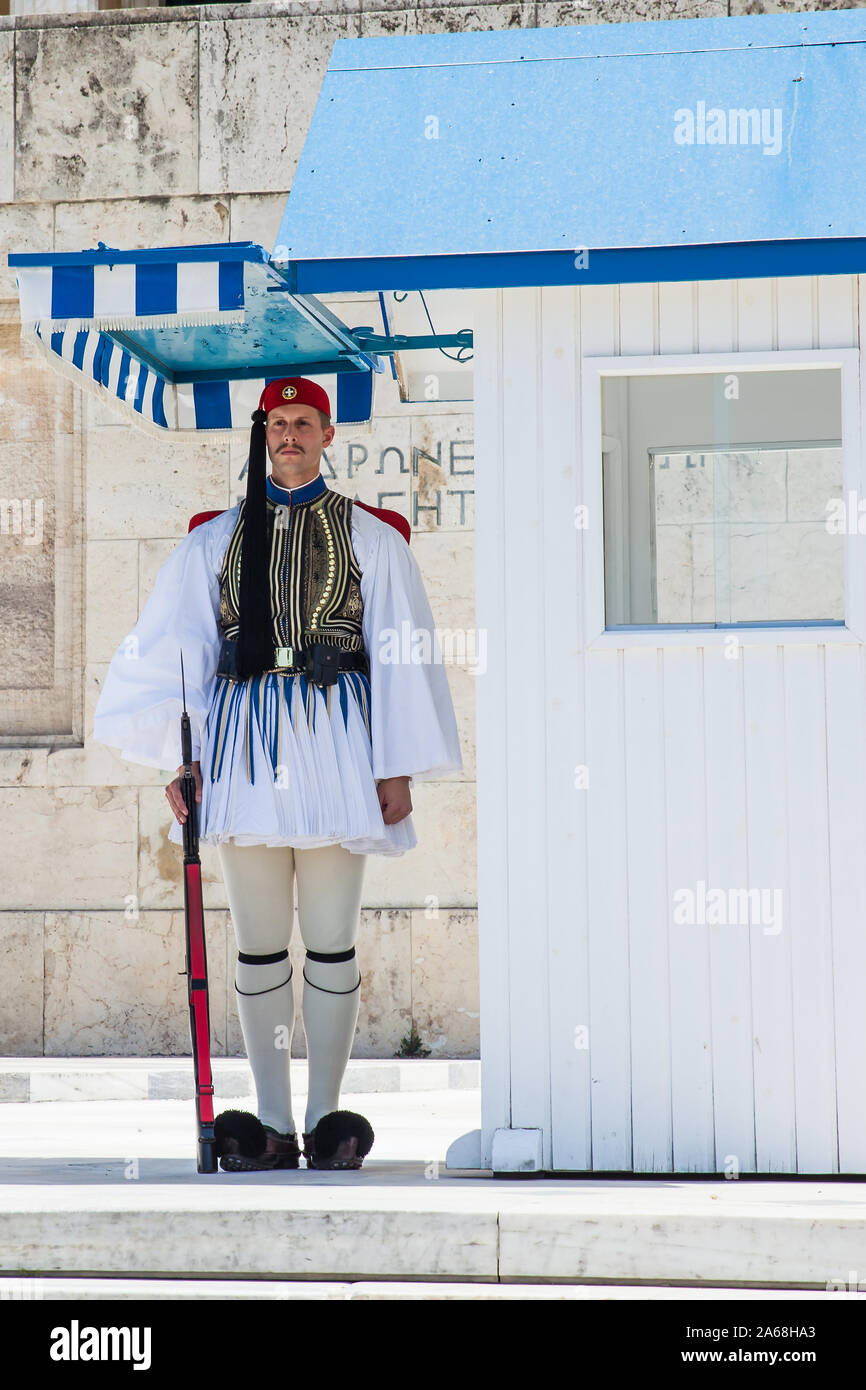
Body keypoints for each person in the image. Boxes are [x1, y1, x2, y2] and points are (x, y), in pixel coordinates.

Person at [93, 375, 463, 1171]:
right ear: (263, 435)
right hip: (245, 751)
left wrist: (397, 766)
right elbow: (181, 654)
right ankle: (269, 1120)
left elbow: (401, 649)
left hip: (338, 747)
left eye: (303, 422)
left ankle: (328, 1117)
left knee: (331, 940)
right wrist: (182, 761)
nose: (289, 435)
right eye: (278, 424)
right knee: (259, 944)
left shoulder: (373, 537)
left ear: (329, 436)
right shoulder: (212, 539)